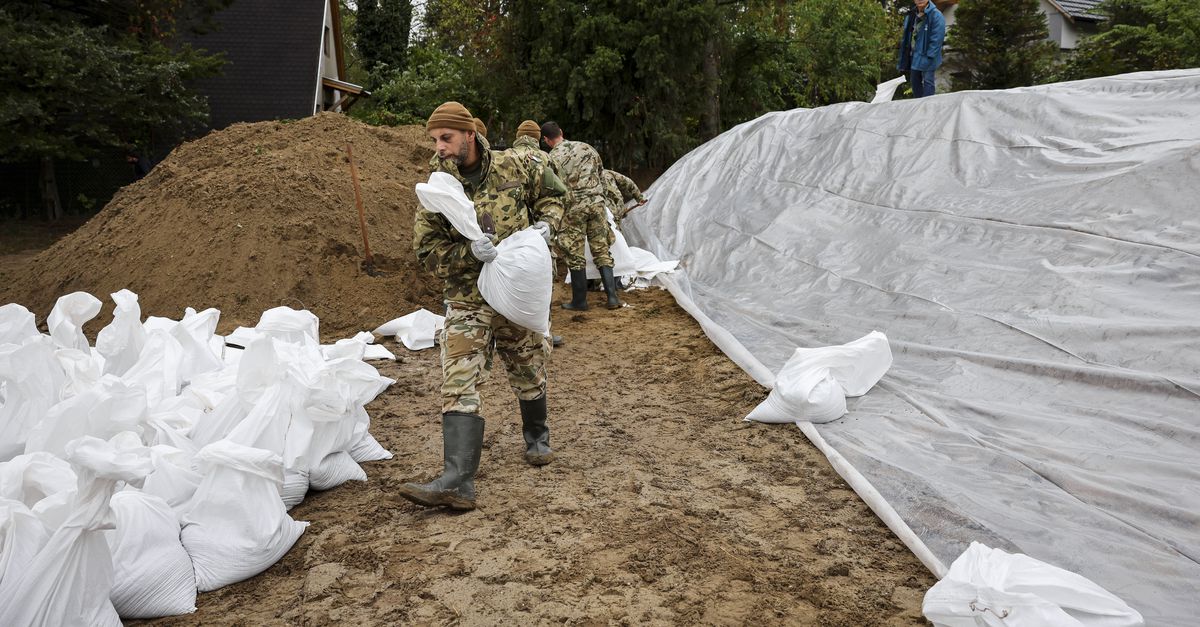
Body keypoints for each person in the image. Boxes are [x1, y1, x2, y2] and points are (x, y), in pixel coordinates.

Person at [402, 101, 567, 511]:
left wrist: (547, 224)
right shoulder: (438, 187)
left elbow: (553, 194)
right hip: (467, 298)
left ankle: (537, 438)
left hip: (514, 294)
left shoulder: (517, 165)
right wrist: (468, 254)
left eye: (446, 138)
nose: (438, 147)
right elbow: (426, 251)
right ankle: (458, 480)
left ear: (469, 136)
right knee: (458, 380)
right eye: (434, 139)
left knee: (528, 368)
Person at [541, 121, 622, 310]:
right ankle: (612, 298)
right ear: (561, 132)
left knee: (575, 252)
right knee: (601, 249)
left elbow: (552, 186)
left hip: (573, 209)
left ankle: (580, 301)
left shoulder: (551, 157)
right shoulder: (587, 147)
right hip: (596, 204)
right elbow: (602, 175)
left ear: (546, 140)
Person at [896, 0, 945, 99]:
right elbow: (907, 36)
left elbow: (937, 39)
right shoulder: (912, 14)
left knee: (928, 81)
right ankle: (919, 106)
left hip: (929, 56)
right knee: (914, 82)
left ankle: (928, 107)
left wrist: (930, 56)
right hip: (915, 55)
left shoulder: (936, 15)